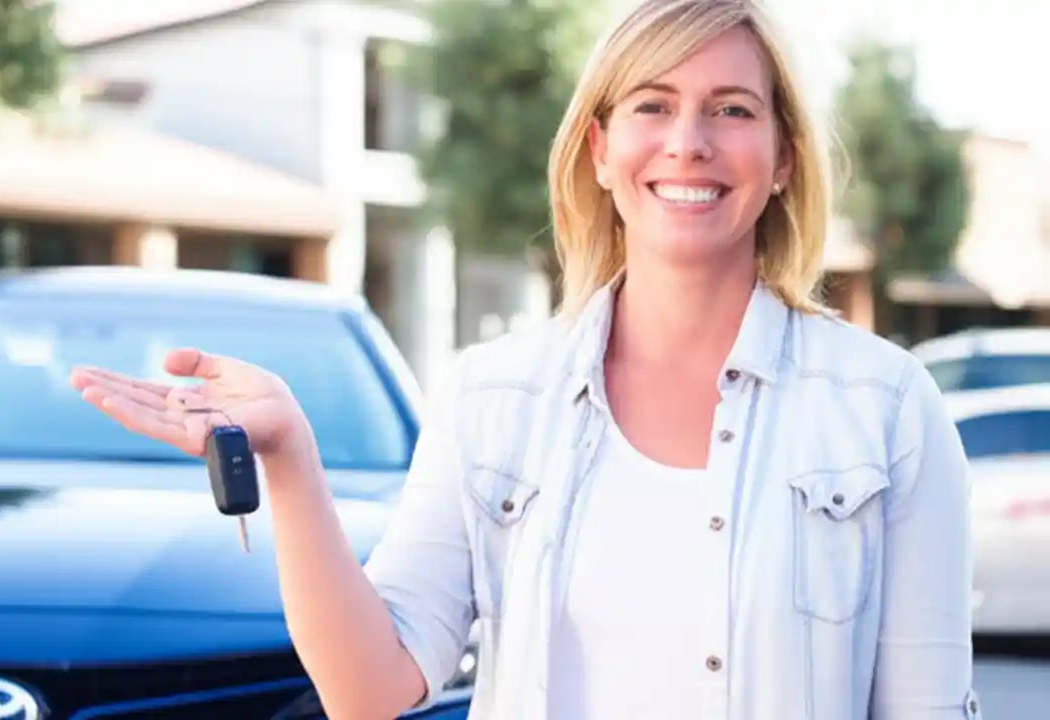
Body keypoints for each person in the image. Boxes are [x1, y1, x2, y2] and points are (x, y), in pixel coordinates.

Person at [69, 0, 981, 718]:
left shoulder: (887, 408)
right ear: (600, 148)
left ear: (782, 157)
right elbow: (367, 690)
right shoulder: (491, 397)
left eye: (731, 109)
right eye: (651, 106)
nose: (688, 141)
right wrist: (292, 458)